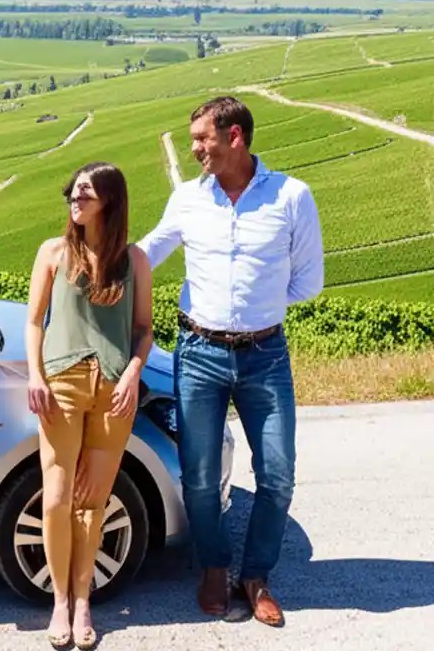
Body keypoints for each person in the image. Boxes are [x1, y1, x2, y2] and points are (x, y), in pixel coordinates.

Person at [137, 96, 324, 626]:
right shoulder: (188, 200)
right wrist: (92, 262)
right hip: (198, 353)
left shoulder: (292, 196)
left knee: (279, 474)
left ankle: (256, 575)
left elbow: (308, 281)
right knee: (198, 475)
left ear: (235, 136)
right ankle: (214, 569)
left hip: (266, 354)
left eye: (202, 139)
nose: (195, 149)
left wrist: (255, 305)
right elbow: (150, 251)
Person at [25, 161, 153, 649]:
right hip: (61, 384)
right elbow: (35, 321)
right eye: (73, 192)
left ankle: (82, 603)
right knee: (57, 499)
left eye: (84, 193)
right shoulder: (53, 252)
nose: (74, 200)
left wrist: (133, 375)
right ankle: (58, 601)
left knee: (91, 504)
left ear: (109, 201)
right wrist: (36, 375)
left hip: (114, 390)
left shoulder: (134, 260)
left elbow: (143, 330)